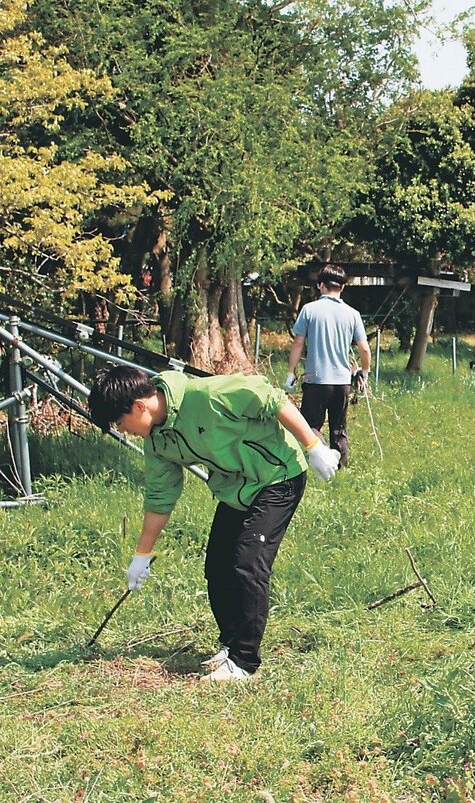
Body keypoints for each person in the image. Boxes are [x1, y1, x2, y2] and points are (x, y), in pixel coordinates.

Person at [88, 365, 341, 681]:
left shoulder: (209, 395)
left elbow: (272, 398)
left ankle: (244, 662)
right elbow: (160, 497)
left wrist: (313, 446)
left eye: (119, 423)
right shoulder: (157, 441)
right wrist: (141, 555)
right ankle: (231, 644)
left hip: (278, 477)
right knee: (218, 566)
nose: (122, 430)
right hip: (237, 488)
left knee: (248, 561)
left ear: (139, 406)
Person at [286, 264, 370, 466]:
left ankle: (324, 455)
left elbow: (298, 342)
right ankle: (340, 465)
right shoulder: (352, 314)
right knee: (339, 428)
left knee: (308, 425)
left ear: (321, 286)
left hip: (316, 379)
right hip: (342, 381)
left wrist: (290, 373)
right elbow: (364, 349)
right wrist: (364, 372)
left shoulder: (309, 310)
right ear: (342, 288)